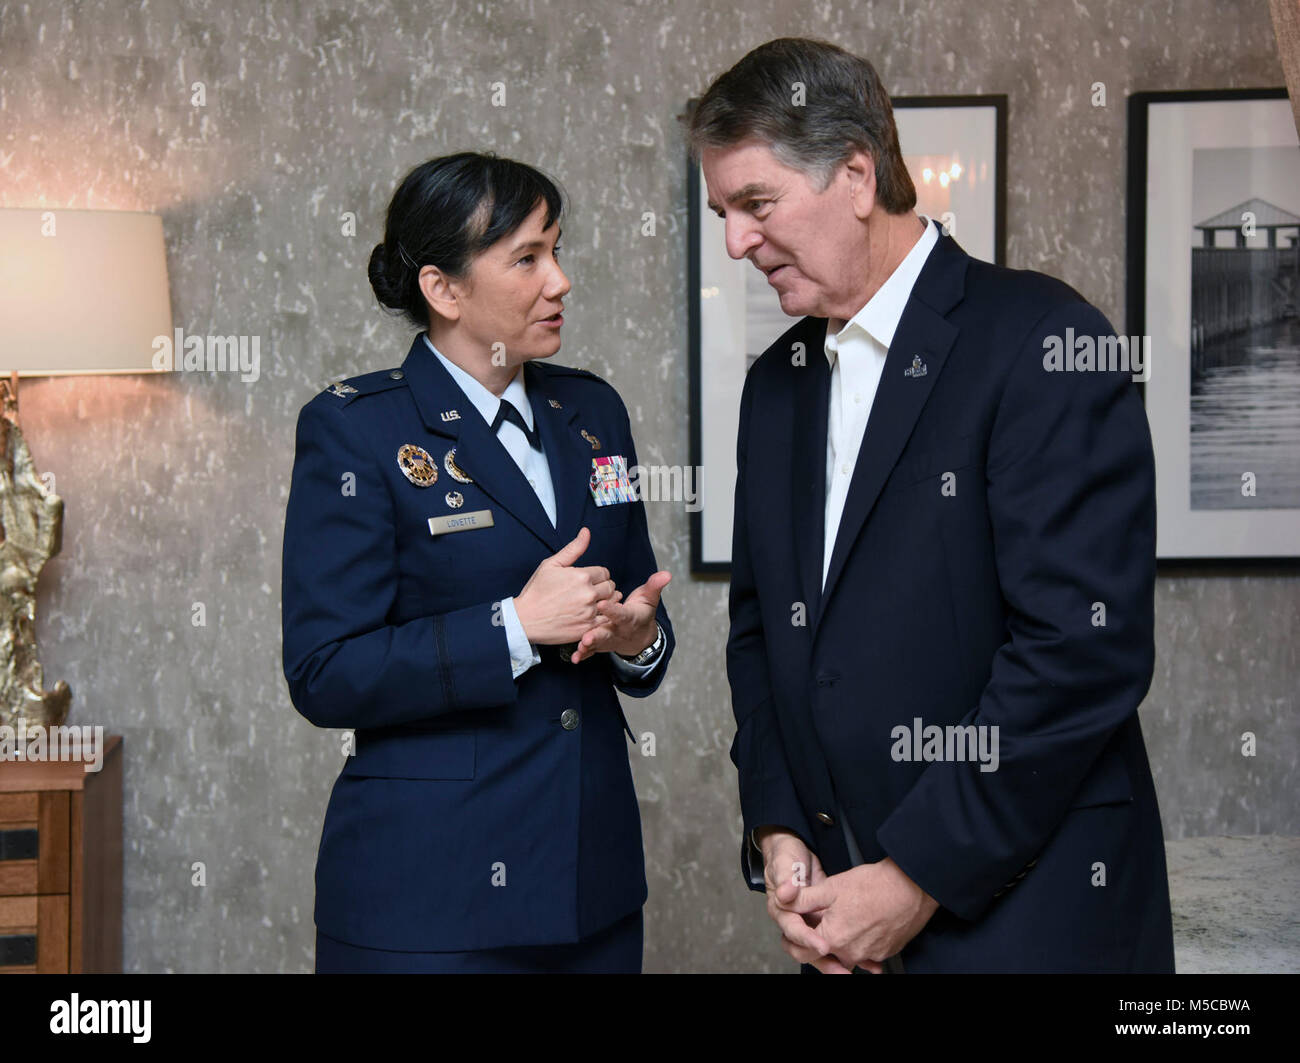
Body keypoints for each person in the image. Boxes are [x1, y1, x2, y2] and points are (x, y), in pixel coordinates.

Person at [690, 38, 1174, 973]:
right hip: (840, 925)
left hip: (1034, 921)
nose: (735, 243)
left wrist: (912, 875)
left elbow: (1081, 650)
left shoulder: (1045, 337)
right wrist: (780, 831)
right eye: (723, 213)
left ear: (858, 176)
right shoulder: (776, 387)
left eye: (755, 204)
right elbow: (762, 634)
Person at [281, 152, 673, 973]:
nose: (560, 280)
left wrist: (636, 639)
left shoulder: (593, 411)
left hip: (590, 890)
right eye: (528, 258)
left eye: (558, 250)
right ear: (444, 288)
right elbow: (324, 670)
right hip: (429, 899)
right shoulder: (358, 430)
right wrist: (514, 629)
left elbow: (640, 610)